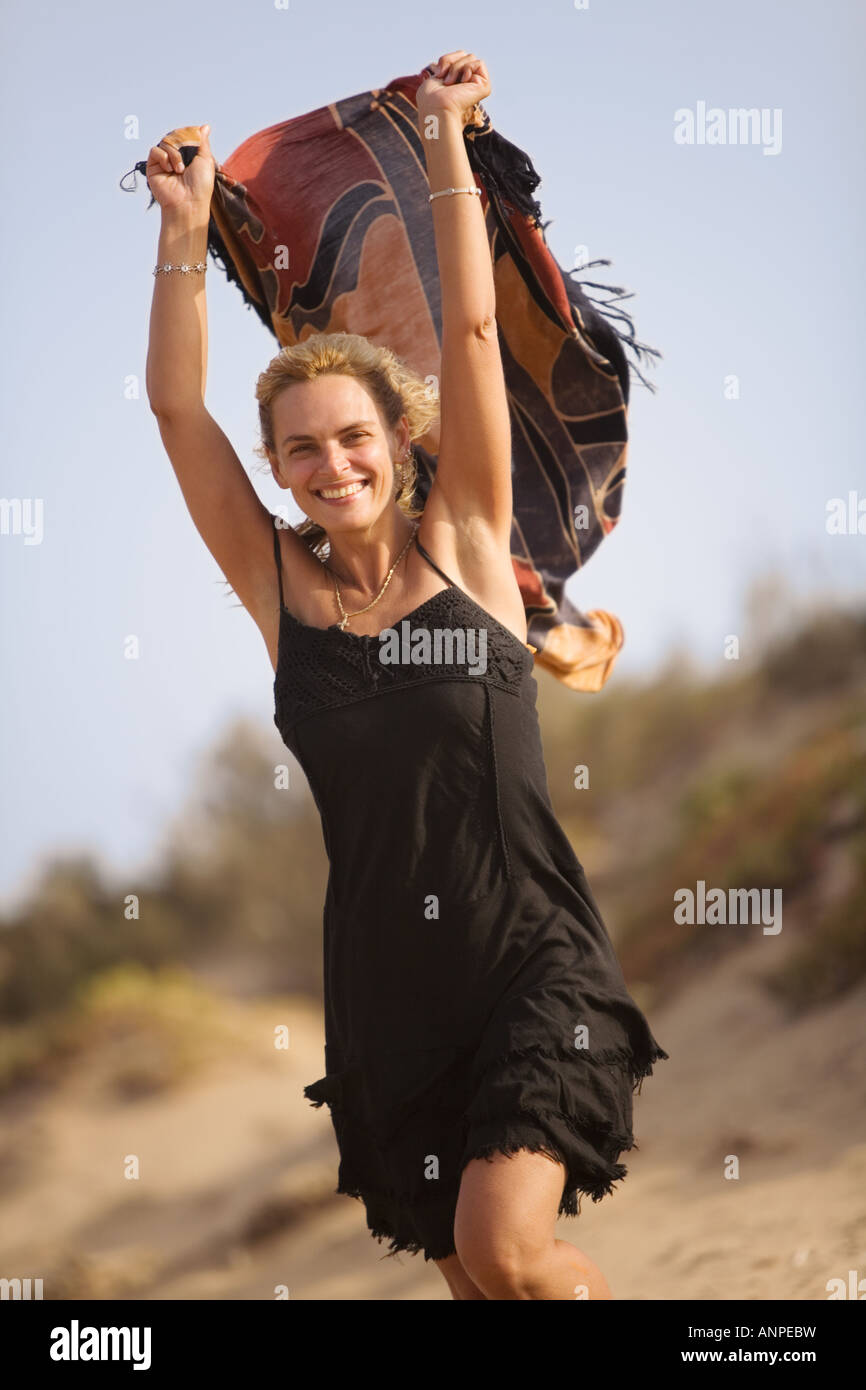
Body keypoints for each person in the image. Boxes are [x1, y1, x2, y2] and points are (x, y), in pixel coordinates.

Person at [145, 50, 668, 1301]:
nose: (331, 466)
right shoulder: (282, 591)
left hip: (531, 964)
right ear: (278, 466)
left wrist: (444, 139)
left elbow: (475, 324)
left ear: (395, 442)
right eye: (302, 450)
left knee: (509, 1251)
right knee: (475, 1286)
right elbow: (175, 412)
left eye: (353, 439)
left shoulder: (471, 547)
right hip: (387, 999)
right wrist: (178, 233)